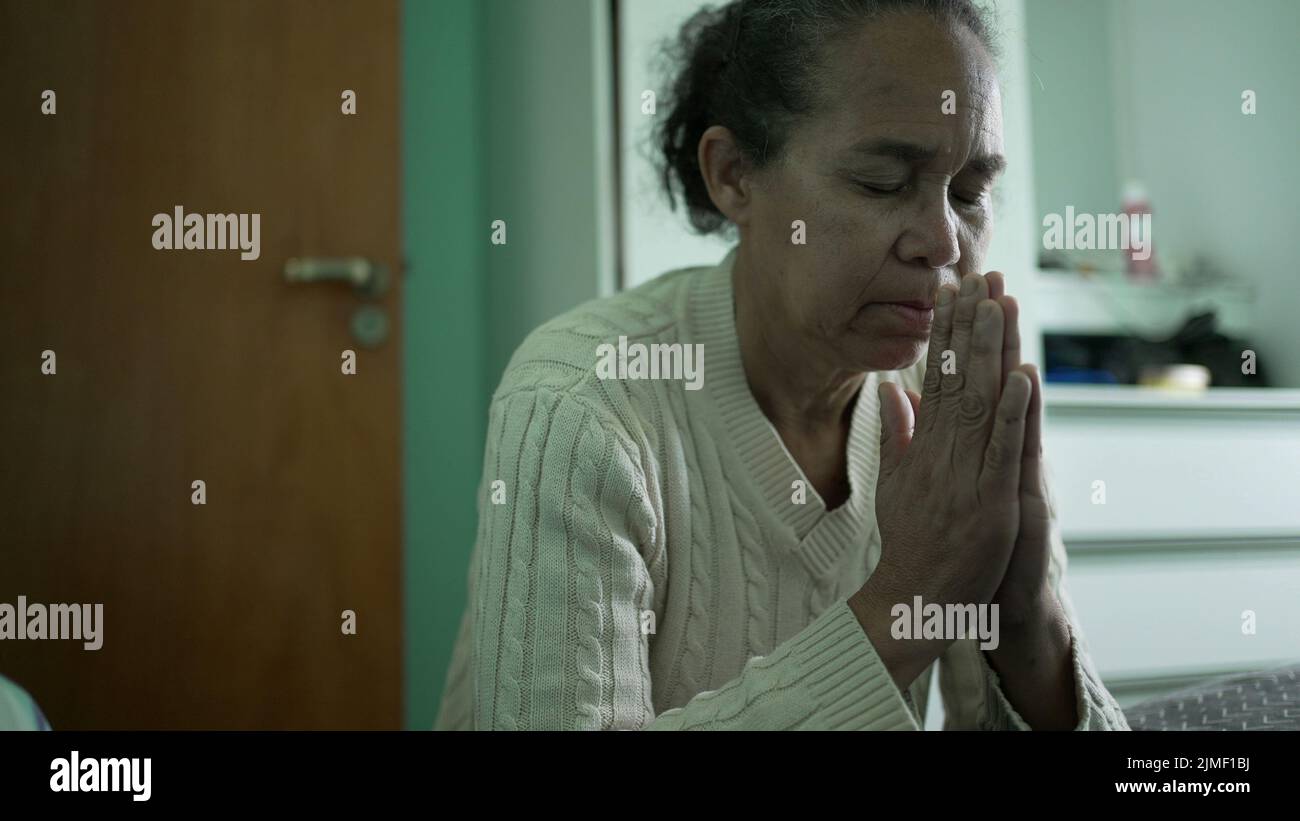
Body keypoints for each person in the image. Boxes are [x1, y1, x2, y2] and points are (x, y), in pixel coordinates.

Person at [436, 0, 1129, 730]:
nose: (943, 241)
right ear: (734, 175)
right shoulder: (581, 406)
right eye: (883, 183)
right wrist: (904, 602)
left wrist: (1027, 623)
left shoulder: (953, 402)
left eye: (968, 193)